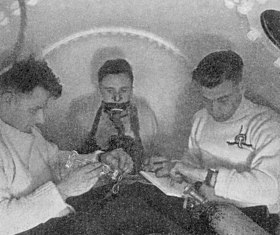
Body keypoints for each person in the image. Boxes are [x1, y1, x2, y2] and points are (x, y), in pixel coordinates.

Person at [145, 50, 280, 233]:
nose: (214, 109)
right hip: (205, 206)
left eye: (223, 99)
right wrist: (176, 170)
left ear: (241, 87)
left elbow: (269, 190)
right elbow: (191, 163)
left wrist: (201, 175)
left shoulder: (267, 124)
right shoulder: (200, 118)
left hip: (249, 217)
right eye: (207, 100)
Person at [0, 57, 134, 235]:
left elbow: (55, 159)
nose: (41, 119)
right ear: (8, 99)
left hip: (60, 219)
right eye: (34, 109)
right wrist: (63, 191)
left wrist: (100, 158)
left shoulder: (25, 129)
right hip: (38, 230)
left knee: (135, 206)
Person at [63, 58, 158, 173]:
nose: (117, 98)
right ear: (99, 89)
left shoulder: (146, 116)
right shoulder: (83, 115)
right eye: (110, 91)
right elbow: (68, 160)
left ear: (132, 89)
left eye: (123, 90)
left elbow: (154, 157)